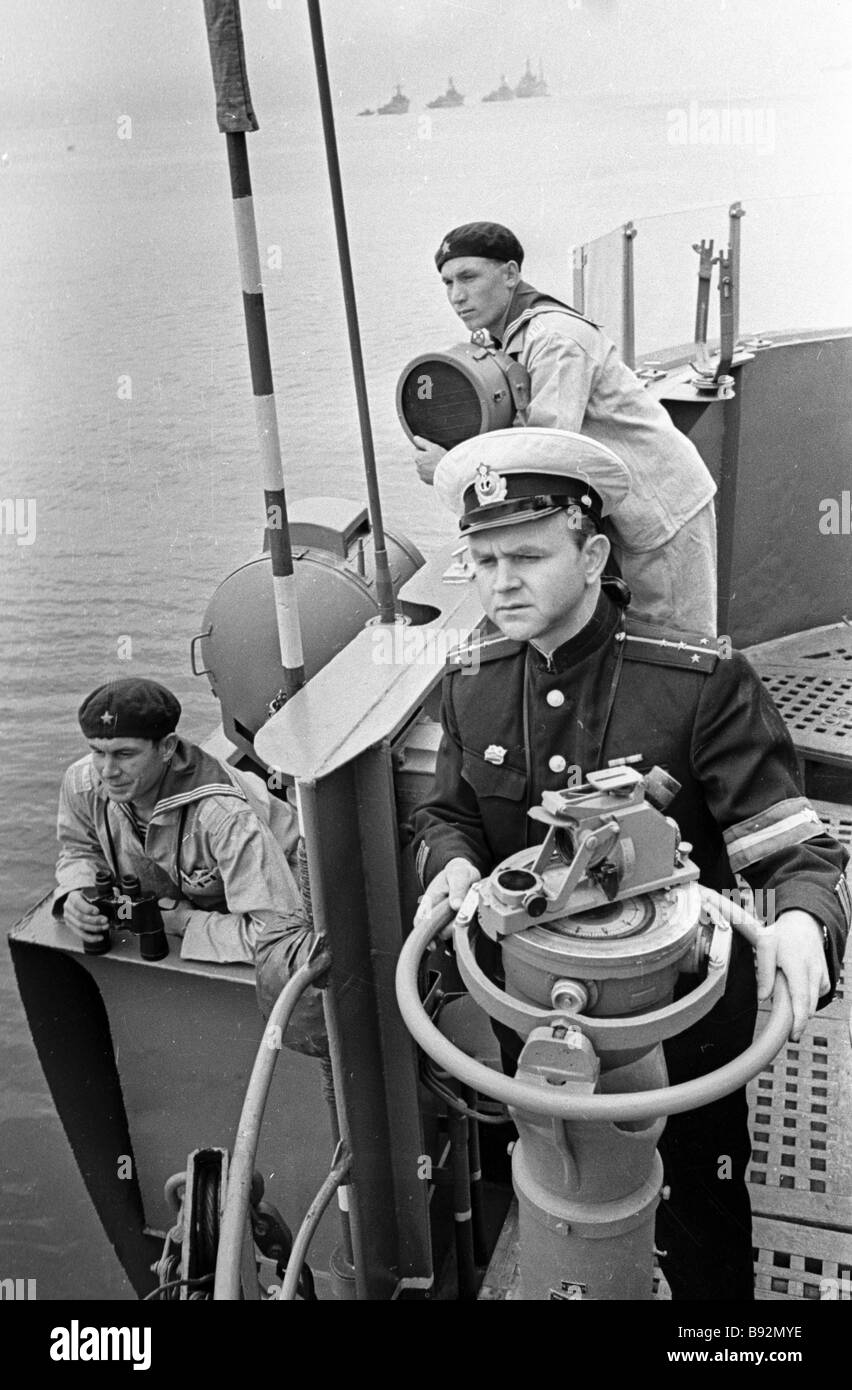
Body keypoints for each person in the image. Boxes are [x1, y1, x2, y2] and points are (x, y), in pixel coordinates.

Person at [410, 428, 850, 1301]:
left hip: (681, 1018)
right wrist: (454, 861)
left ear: (594, 551)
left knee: (702, 1204)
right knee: (553, 1167)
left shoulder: (699, 680)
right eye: (483, 559)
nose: (502, 583)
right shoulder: (470, 679)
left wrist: (802, 919)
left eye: (528, 555)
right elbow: (448, 813)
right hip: (531, 1007)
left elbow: (795, 845)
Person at [413, 220, 718, 636]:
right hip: (622, 511)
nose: (456, 296)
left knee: (678, 645)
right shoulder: (512, 338)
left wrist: (453, 466)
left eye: (468, 277)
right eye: (447, 283)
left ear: (510, 274)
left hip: (661, 510)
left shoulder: (555, 339)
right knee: (640, 646)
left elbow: (546, 448)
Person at [54, 676, 325, 1054]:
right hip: (206, 904)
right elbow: (79, 849)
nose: (107, 770)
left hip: (288, 899)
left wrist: (180, 923)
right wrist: (76, 892)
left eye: (124, 754)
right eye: (98, 752)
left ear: (166, 748)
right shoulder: (84, 782)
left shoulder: (223, 816)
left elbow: (277, 937)